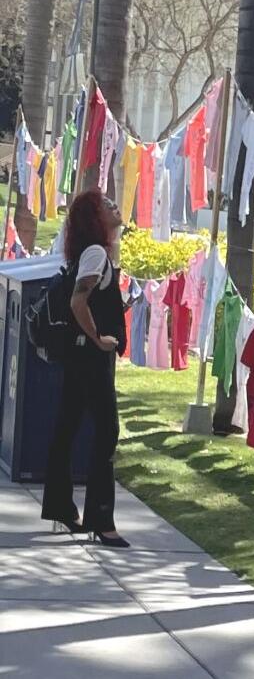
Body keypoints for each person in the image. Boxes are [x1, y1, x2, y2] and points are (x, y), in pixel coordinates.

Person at [40, 190, 129, 548]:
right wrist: (99, 339)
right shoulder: (95, 253)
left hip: (79, 357)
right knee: (107, 430)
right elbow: (79, 299)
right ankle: (101, 520)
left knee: (67, 428)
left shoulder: (95, 252)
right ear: (95, 217)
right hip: (90, 358)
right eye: (108, 205)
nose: (116, 206)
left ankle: (62, 507)